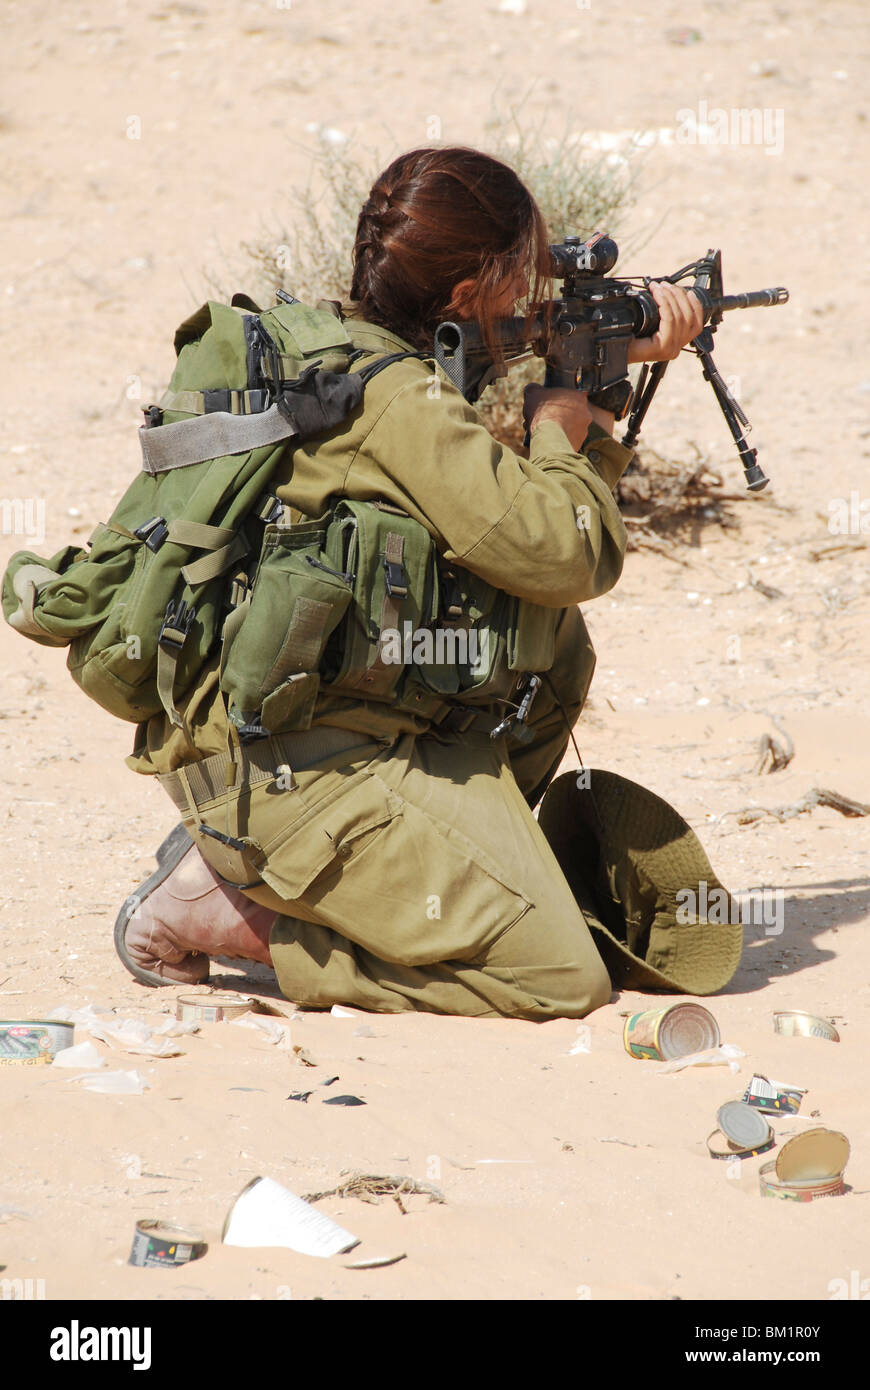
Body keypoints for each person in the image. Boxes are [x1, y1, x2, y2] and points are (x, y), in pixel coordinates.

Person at [117, 146, 741, 1017]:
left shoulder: (349, 357)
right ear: (465, 295)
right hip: (302, 765)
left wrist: (588, 363)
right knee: (561, 977)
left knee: (545, 640)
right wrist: (569, 422)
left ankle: (375, 878)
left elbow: (512, 561)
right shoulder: (398, 401)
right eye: (521, 277)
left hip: (302, 738)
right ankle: (234, 915)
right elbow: (565, 552)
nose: (534, 298)